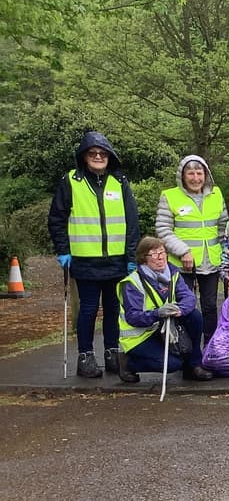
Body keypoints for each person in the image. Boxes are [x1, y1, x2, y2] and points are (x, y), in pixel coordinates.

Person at [47, 131, 139, 378]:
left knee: (113, 307)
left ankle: (111, 351)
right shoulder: (71, 181)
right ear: (84, 156)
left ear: (110, 156)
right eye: (93, 153)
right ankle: (85, 355)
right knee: (87, 309)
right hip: (85, 260)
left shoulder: (119, 182)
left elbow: (132, 221)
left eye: (102, 153)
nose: (98, 157)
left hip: (117, 260)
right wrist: (63, 250)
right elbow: (57, 218)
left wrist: (132, 256)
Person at [115, 237, 212, 382]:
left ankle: (193, 365)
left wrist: (179, 310)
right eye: (154, 254)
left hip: (164, 328)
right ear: (144, 259)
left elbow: (189, 298)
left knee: (194, 316)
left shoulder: (172, 273)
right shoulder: (132, 283)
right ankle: (128, 363)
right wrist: (157, 313)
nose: (160, 257)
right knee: (172, 364)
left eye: (162, 252)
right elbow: (133, 317)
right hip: (140, 337)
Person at [156, 155, 227, 344]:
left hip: (210, 261)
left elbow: (222, 226)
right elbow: (163, 230)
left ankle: (211, 347)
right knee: (186, 306)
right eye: (190, 173)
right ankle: (189, 350)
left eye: (199, 173)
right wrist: (183, 251)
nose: (195, 178)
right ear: (182, 175)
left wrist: (223, 253)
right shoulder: (169, 196)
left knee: (210, 306)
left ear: (206, 174)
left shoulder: (216, 194)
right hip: (181, 264)